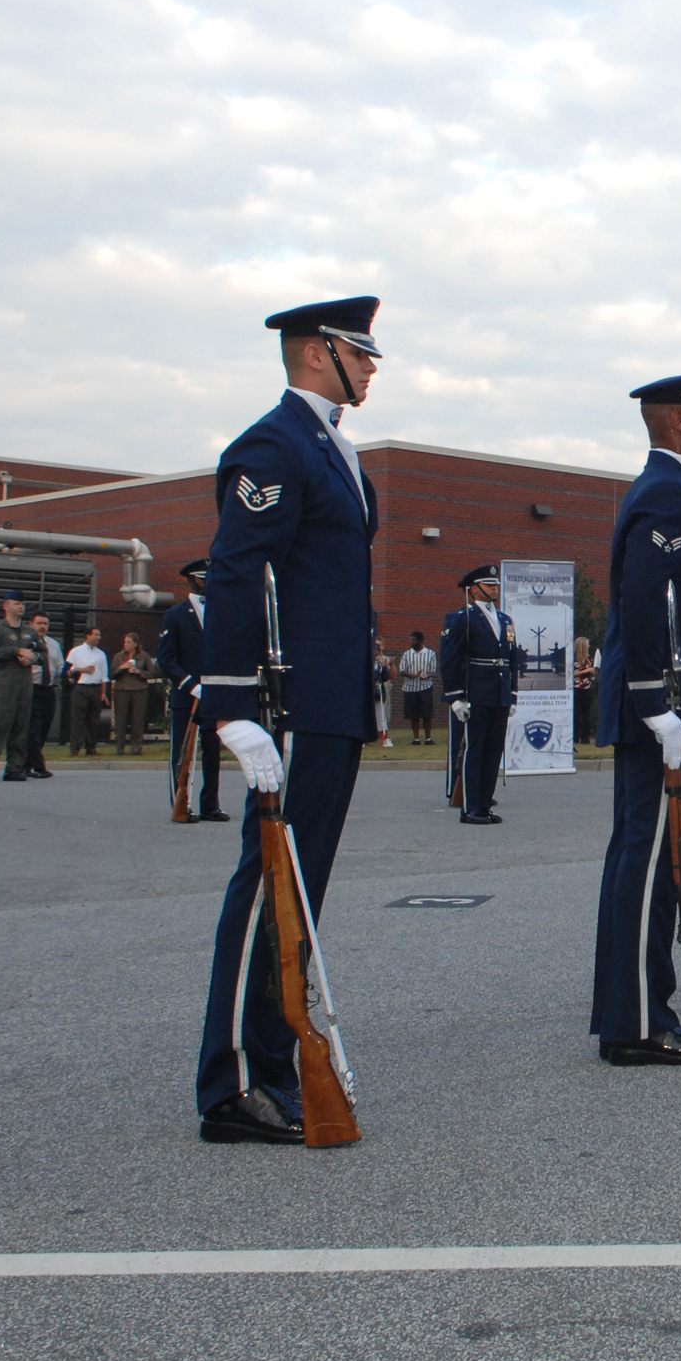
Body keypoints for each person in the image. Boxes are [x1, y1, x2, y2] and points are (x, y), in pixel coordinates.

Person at [192, 295, 386, 1145]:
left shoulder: (331, 448)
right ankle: (235, 1079)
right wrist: (232, 705)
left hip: (331, 701)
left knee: (299, 888)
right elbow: (236, 573)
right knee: (271, 878)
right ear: (319, 354)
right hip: (295, 703)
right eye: (361, 351)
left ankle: (274, 1053)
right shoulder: (274, 445)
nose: (373, 365)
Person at [590, 367, 681, 1067]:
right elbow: (645, 597)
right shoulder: (667, 493)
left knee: (655, 859)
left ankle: (641, 1008)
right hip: (666, 707)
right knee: (649, 861)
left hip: (676, 704)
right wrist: (654, 702)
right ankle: (637, 1019)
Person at [440, 565, 521, 823]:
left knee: (494, 750)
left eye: (496, 584)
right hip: (475, 691)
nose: (495, 588)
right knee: (475, 749)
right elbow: (450, 660)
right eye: (489, 584)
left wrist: (513, 693)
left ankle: (485, 804)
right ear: (474, 589)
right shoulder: (463, 618)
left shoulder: (505, 619)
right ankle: (470, 807)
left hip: (499, 692)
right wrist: (455, 697)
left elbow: (512, 659)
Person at [157, 560, 227, 822]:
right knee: (183, 751)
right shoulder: (175, 615)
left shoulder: (220, 613)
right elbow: (165, 658)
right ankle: (181, 802)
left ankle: (210, 804)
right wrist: (190, 685)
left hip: (212, 694)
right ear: (198, 580)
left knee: (212, 751)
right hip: (187, 695)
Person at [0, 592, 38, 783]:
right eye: (17, 603)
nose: (21, 606)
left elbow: (41, 653)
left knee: (21, 727)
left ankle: (14, 768)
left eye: (23, 603)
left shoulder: (30, 631)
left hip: (24, 683)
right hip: (4, 685)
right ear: (6, 606)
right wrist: (15, 651)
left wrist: (32, 657)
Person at [22, 611, 64, 778]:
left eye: (45, 624)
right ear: (31, 624)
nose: (42, 627)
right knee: (33, 729)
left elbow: (59, 666)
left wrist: (69, 674)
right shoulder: (25, 642)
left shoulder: (53, 644)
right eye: (39, 623)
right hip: (32, 687)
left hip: (48, 689)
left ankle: (27, 765)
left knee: (44, 729)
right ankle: (39, 767)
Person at [110, 632, 156, 757]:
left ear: (136, 644)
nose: (126, 644)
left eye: (129, 642)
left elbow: (152, 673)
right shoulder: (119, 656)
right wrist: (122, 667)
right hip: (122, 690)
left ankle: (136, 747)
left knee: (138, 719)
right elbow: (112, 673)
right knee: (120, 719)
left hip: (139, 689)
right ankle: (120, 748)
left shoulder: (143, 656)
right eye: (125, 642)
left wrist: (139, 672)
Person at [66, 625, 109, 757]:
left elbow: (104, 676)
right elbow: (68, 671)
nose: (98, 637)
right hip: (81, 687)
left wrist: (103, 693)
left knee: (93, 719)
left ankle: (91, 747)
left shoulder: (101, 654)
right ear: (88, 636)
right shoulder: (76, 651)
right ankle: (75, 748)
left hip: (95, 688)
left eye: (99, 635)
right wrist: (82, 669)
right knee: (78, 718)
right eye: (96, 634)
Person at [397, 630, 438, 744]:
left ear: (420, 641)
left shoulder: (430, 654)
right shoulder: (407, 654)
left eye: (414, 640)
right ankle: (416, 739)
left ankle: (428, 738)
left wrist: (426, 675)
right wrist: (415, 675)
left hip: (425, 687)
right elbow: (402, 670)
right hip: (410, 688)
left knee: (427, 714)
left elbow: (433, 670)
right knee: (413, 715)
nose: (411, 642)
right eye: (410, 640)